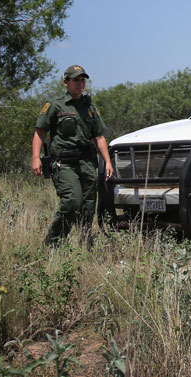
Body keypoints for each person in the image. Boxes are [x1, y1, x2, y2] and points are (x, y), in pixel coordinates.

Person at [32, 65, 113, 247]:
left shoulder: (90, 107)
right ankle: (53, 244)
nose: (80, 83)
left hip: (86, 162)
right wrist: (36, 157)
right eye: (76, 80)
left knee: (88, 206)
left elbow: (99, 136)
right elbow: (40, 133)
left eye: (83, 80)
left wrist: (107, 161)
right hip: (63, 163)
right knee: (72, 202)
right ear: (65, 82)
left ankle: (86, 246)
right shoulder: (55, 105)